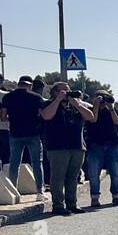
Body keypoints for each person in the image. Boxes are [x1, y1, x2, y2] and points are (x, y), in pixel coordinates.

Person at [40, 81, 96, 215]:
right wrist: (58, 100)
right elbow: (46, 116)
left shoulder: (76, 105)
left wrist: (77, 104)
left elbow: (91, 117)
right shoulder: (49, 104)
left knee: (73, 177)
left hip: (77, 146)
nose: (66, 93)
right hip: (57, 147)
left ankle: (72, 204)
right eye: (63, 91)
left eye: (68, 90)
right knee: (58, 177)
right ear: (54, 92)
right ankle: (58, 205)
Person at [1, 76, 47, 201]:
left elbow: (3, 117)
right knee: (37, 163)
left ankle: (14, 191)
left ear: (18, 83)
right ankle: (39, 192)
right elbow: (41, 115)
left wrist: (14, 120)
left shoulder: (8, 97)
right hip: (33, 133)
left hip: (15, 133)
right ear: (30, 85)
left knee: (14, 163)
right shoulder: (36, 98)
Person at [84, 90, 118, 207]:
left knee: (115, 171)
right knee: (93, 173)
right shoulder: (90, 110)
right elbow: (93, 119)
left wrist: (111, 107)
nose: (103, 101)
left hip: (112, 144)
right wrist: (96, 105)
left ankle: (116, 196)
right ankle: (95, 197)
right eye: (101, 98)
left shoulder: (111, 110)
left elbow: (117, 122)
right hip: (95, 145)